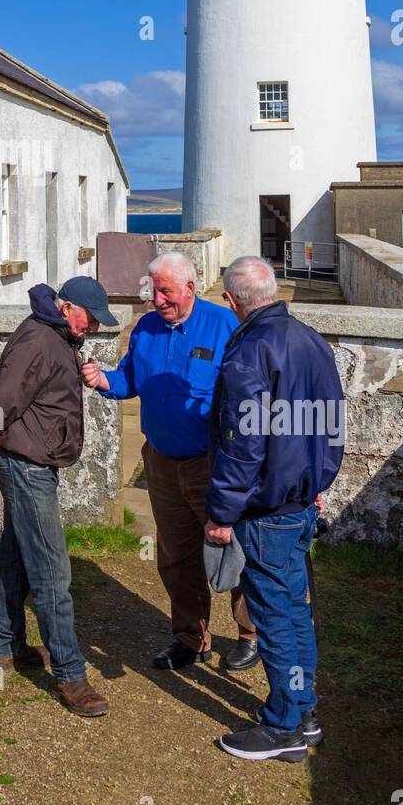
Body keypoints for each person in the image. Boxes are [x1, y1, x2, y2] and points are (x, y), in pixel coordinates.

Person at [83, 251, 257, 670]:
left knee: (233, 549)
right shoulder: (145, 328)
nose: (157, 299)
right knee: (176, 556)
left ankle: (251, 633)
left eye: (166, 291)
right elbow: (130, 379)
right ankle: (191, 638)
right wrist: (104, 380)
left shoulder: (224, 325)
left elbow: (250, 389)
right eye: (154, 290)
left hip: (212, 463)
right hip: (160, 462)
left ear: (191, 288)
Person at [205, 255, 344, 763]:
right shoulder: (310, 340)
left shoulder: (250, 350)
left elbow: (242, 443)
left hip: (266, 511)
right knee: (294, 612)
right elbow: (331, 421)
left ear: (232, 301)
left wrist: (221, 512)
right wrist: (316, 481)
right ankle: (303, 713)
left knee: (276, 619)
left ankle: (284, 724)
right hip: (300, 502)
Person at [0, 276, 119, 717]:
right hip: (26, 468)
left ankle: (5, 646)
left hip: (33, 462)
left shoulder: (56, 334)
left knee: (16, 557)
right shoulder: (39, 340)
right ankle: (71, 674)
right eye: (90, 318)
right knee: (52, 571)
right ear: (67, 307)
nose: (92, 327)